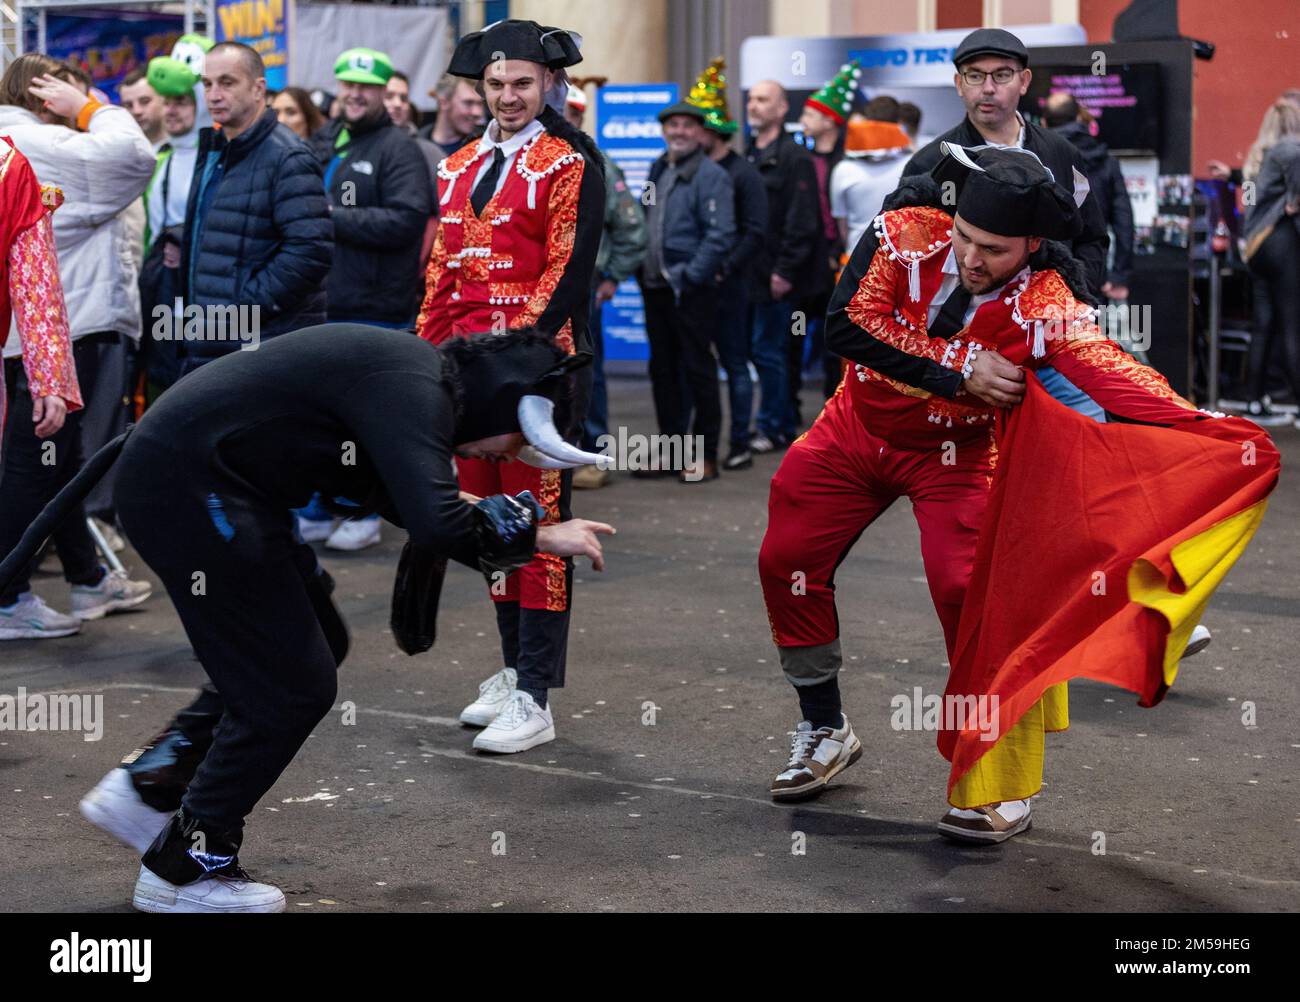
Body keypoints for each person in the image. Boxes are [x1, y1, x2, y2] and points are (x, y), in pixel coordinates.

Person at [758, 144, 1273, 840]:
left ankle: (1002, 784)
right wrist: (960, 366)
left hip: (960, 457)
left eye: (994, 250)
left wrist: (1204, 426)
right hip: (853, 430)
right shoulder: (905, 228)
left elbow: (1112, 373)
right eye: (966, 237)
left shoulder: (1047, 300)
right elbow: (847, 324)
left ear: (1033, 245)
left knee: (973, 592)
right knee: (785, 563)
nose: (972, 258)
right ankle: (824, 728)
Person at [26, 325, 614, 912]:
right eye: (515, 440)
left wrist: (527, 533)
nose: (507, 455)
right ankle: (183, 869)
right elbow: (435, 521)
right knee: (289, 686)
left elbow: (408, 502)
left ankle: (150, 783)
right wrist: (540, 533)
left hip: (206, 484)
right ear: (506, 400)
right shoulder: (415, 387)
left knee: (314, 641)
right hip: (193, 489)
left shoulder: (414, 381)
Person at [416, 19, 606, 753]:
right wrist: (424, 361)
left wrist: (507, 361)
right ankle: (508, 670)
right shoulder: (455, 164)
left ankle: (535, 692)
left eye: (522, 82)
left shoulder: (569, 163)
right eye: (494, 84)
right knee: (494, 526)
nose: (506, 96)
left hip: (534, 375)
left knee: (541, 525)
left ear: (549, 84)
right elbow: (441, 276)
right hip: (464, 372)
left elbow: (563, 277)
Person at [0, 55, 154, 638]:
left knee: (56, 462)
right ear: (47, 94)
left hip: (40, 328)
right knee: (34, 464)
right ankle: (7, 592)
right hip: (58, 331)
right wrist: (88, 108)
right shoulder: (33, 143)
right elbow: (135, 157)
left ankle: (86, 576)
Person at [299, 48, 433, 552]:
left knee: (371, 424)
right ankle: (317, 507)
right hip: (322, 305)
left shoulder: (397, 149)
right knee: (319, 419)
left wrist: (328, 216)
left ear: (383, 92)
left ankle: (364, 513)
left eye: (365, 87)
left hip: (377, 310)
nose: (354, 94)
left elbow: (405, 220)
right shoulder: (327, 138)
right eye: (346, 85)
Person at [903, 28, 1110, 298]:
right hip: (964, 327)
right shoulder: (931, 162)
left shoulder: (1062, 153)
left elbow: (1091, 237)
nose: (988, 88)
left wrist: (1074, 294)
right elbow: (912, 255)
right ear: (959, 83)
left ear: (1024, 81)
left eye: (1002, 75)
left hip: (1051, 321)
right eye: (975, 75)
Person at [179, 42, 332, 374]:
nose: (214, 94)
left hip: (262, 344)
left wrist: (241, 306)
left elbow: (311, 251)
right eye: (207, 84)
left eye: (227, 82)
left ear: (258, 88)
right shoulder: (218, 150)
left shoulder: (288, 156)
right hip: (214, 340)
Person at [637, 97, 734, 482]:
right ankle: (672, 452)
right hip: (655, 287)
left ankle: (706, 456)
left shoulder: (712, 176)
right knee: (663, 371)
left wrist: (693, 275)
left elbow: (722, 233)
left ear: (700, 132)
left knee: (698, 369)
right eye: (672, 125)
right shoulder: (657, 168)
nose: (678, 132)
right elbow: (645, 216)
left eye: (687, 126)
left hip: (690, 289)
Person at [563, 83, 647, 490]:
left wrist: (612, 275)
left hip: (583, 283)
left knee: (586, 368)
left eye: (571, 112)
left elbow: (632, 228)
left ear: (580, 116)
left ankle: (593, 454)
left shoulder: (597, 164)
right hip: (533, 284)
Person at [690, 58, 767, 472]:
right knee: (698, 365)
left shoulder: (742, 173)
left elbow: (755, 230)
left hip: (732, 286)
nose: (686, 133)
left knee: (736, 363)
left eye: (694, 125)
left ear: (710, 129)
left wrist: (725, 267)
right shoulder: (690, 170)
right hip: (696, 287)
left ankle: (739, 441)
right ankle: (697, 446)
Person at [745, 80, 821, 453]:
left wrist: (785, 271)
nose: (753, 106)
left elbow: (803, 221)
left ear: (781, 110)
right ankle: (775, 420)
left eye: (762, 100)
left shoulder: (795, 158)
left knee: (771, 352)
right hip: (748, 275)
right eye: (751, 99)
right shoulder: (746, 155)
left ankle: (775, 426)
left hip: (778, 277)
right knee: (759, 351)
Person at [0, 138, 81, 470]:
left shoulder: (11, 170)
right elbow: (37, 286)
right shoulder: (9, 168)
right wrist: (49, 379)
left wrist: (49, 377)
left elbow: (36, 285)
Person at [1241, 97, 1300, 428]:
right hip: (1281, 242)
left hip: (1256, 246)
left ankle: (1254, 398)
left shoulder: (1258, 155)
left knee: (1264, 325)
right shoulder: (1292, 151)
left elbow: (1252, 197)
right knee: (1293, 325)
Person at [799, 62, 855, 405]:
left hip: (838, 259)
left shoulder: (847, 161)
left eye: (810, 113)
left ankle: (832, 403)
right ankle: (787, 411)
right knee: (794, 334)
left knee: (835, 336)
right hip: (805, 261)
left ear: (831, 120)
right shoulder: (801, 159)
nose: (803, 119)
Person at [1043, 93, 1134, 303]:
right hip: (1093, 274)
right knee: (1090, 335)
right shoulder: (1107, 162)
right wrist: (1119, 276)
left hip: (1044, 277)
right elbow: (1124, 222)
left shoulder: (1034, 157)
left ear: (1045, 122)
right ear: (1078, 118)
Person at [830, 99, 912, 256]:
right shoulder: (913, 163)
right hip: (901, 256)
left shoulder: (843, 169)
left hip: (859, 256)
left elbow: (842, 226)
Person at [420, 72, 486, 159]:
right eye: (468, 103)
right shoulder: (416, 147)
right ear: (443, 103)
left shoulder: (485, 148)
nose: (477, 112)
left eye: (480, 104)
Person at [119, 66, 164, 148]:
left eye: (145, 101)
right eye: (129, 105)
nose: (137, 111)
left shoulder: (187, 146)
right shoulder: (122, 156)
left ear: (163, 100)